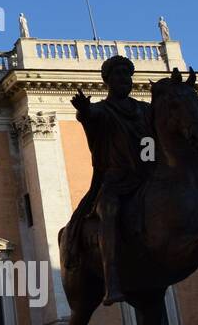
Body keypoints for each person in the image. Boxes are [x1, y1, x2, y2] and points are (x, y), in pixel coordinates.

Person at [65, 55, 154, 305]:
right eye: (118, 75)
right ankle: (112, 281)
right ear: (107, 81)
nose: (124, 79)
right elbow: (91, 121)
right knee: (109, 212)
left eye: (127, 75)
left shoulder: (145, 110)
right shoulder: (102, 110)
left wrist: (149, 162)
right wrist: (84, 111)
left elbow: (150, 143)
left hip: (145, 177)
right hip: (115, 180)